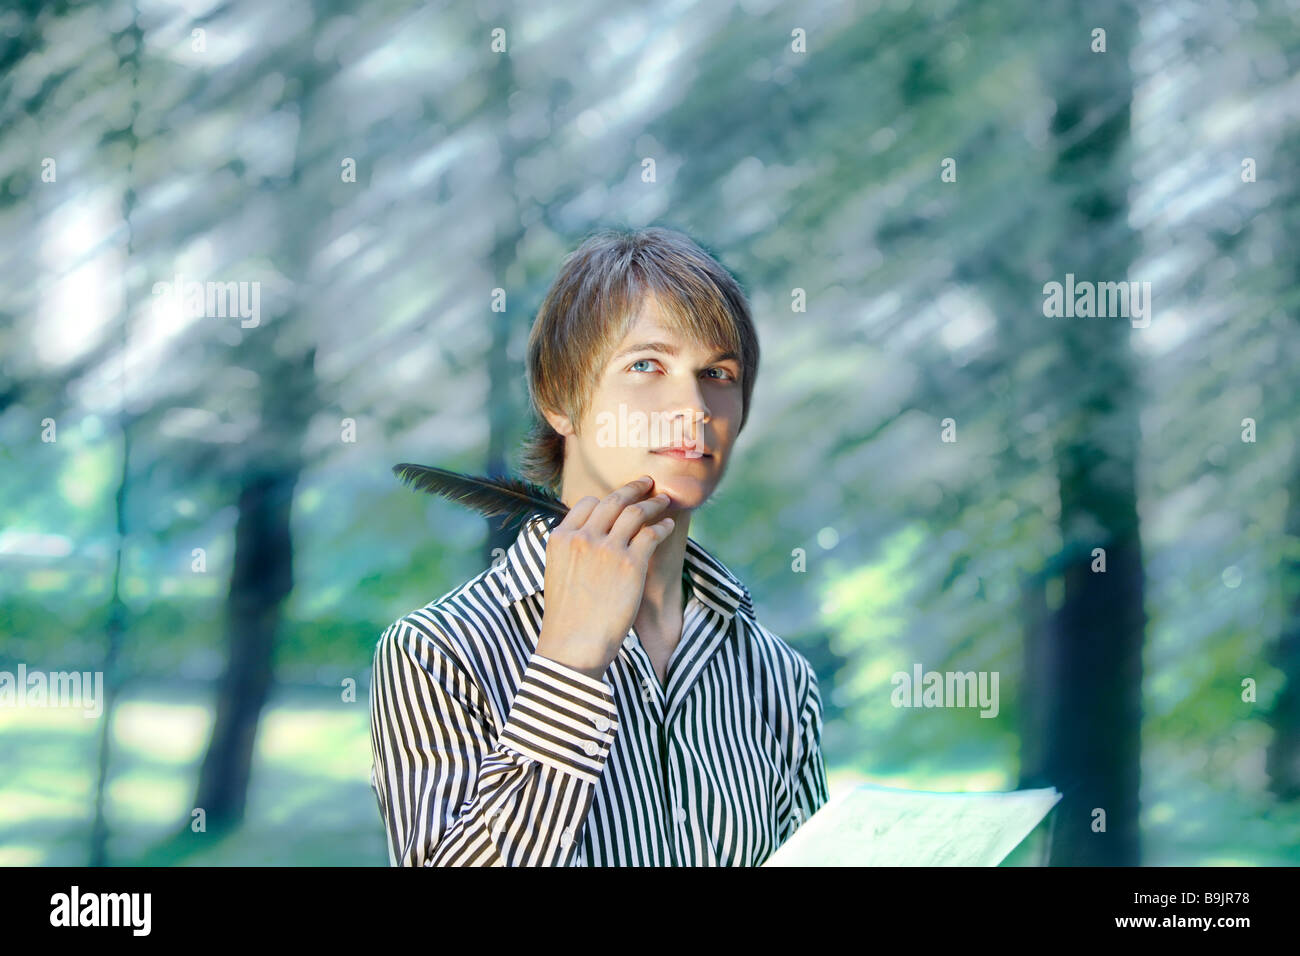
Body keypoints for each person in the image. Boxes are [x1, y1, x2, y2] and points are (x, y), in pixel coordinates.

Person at [368, 225, 829, 865]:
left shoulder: (777, 679)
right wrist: (570, 662)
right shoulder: (439, 655)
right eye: (646, 365)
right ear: (563, 399)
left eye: (718, 372)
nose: (693, 406)